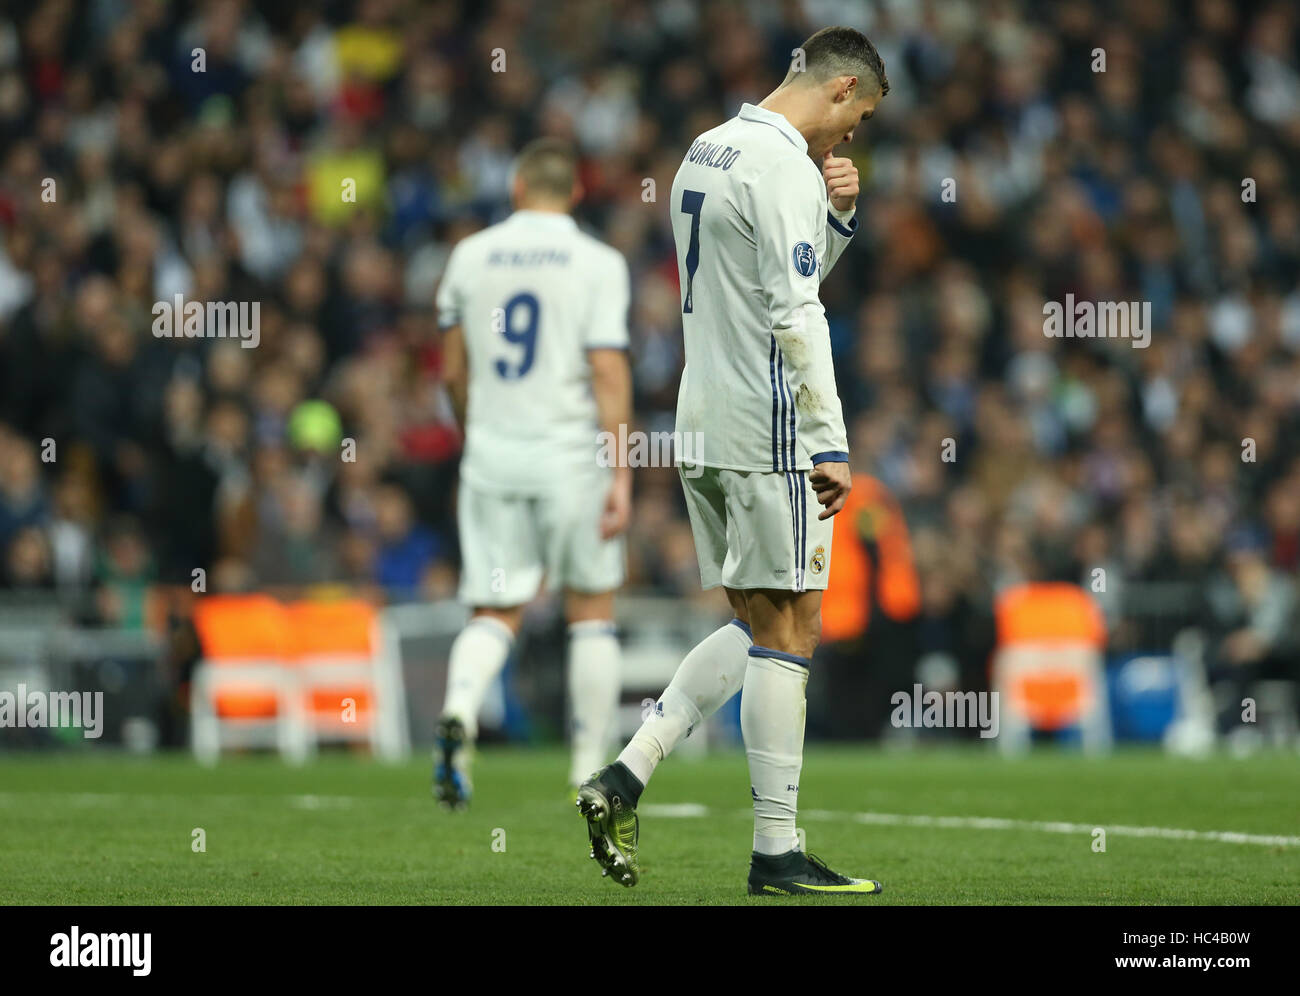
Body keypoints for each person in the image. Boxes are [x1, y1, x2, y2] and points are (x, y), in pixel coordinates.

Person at [576, 26, 890, 894]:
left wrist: (837, 219)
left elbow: (760, 278)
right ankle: (776, 851)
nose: (850, 138)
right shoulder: (782, 163)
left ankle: (626, 773)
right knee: (792, 631)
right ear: (838, 91)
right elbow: (797, 312)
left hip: (701, 421)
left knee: (761, 624)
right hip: (768, 427)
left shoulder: (706, 150)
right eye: (856, 117)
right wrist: (829, 437)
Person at [434, 138, 633, 807]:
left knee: (495, 608)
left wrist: (474, 433)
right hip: (569, 456)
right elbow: (607, 370)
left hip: (492, 450)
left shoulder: (469, 255)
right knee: (590, 608)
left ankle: (459, 712)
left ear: (517, 187)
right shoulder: (598, 261)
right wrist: (623, 472)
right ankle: (584, 767)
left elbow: (452, 371)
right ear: (575, 193)